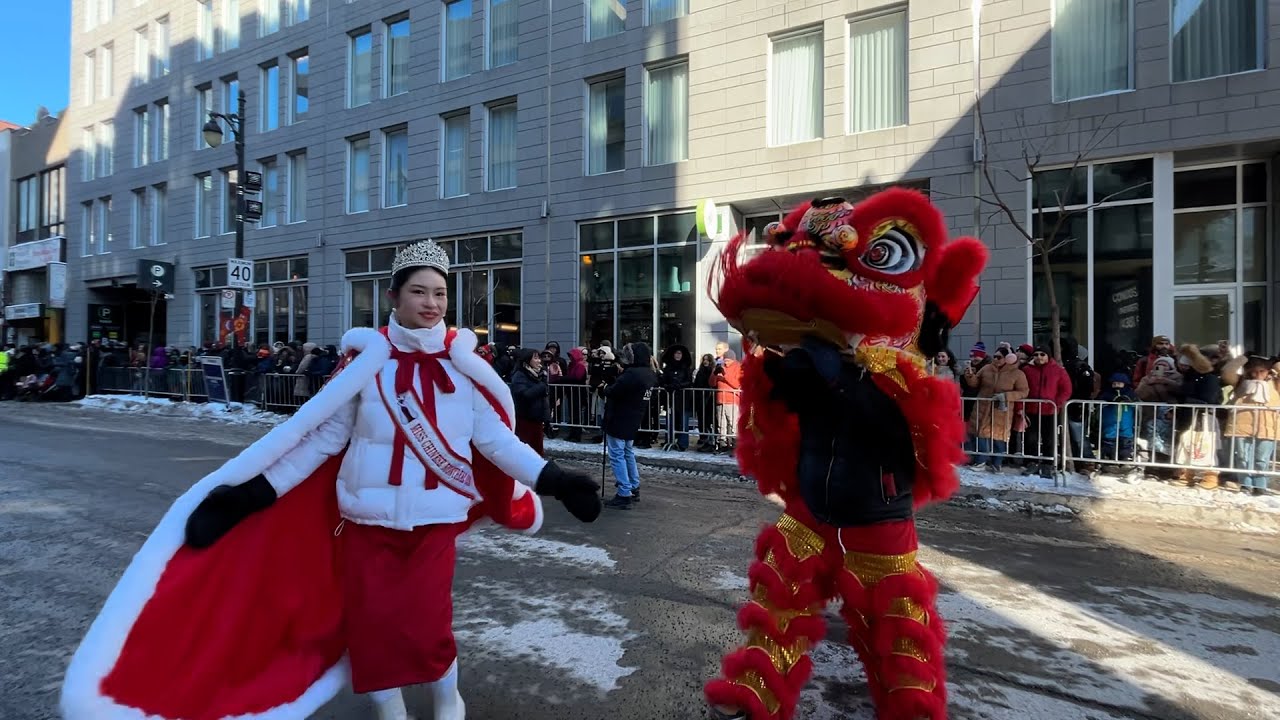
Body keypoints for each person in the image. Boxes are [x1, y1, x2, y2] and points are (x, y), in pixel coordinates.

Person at [63, 239, 603, 720]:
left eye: (440, 293)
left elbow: (495, 443)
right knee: (370, 626)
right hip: (365, 523)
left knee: (425, 624)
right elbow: (319, 441)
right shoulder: (366, 366)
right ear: (394, 297)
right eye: (419, 292)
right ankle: (389, 709)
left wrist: (554, 479)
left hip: (434, 520)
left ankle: (446, 700)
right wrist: (250, 495)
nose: (432, 303)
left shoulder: (463, 370)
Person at [703, 190, 987, 720]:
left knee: (897, 631)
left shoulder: (906, 378)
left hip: (874, 521)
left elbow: (903, 439)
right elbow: (778, 415)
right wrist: (776, 365)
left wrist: (843, 382)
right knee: (777, 609)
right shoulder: (808, 361)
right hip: (810, 511)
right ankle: (755, 695)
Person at [602, 342, 658, 509]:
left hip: (619, 417)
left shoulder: (632, 374)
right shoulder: (649, 373)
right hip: (634, 417)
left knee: (617, 455)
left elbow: (613, 391)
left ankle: (624, 492)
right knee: (627, 453)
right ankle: (633, 486)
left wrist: (604, 387)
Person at [966, 347, 1029, 471]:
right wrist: (970, 376)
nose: (995, 359)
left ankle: (997, 463)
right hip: (982, 406)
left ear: (1008, 358)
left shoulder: (1017, 373)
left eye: (999, 357)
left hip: (1001, 410)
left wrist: (1006, 396)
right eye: (994, 356)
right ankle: (980, 461)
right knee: (980, 434)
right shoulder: (986, 368)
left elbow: (1024, 391)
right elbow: (975, 383)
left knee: (999, 437)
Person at [1020, 345, 1072, 478]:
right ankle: (1031, 462)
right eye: (1036, 354)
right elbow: (1022, 389)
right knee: (1031, 438)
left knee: (1049, 439)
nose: (1039, 357)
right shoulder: (1027, 370)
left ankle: (1048, 464)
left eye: (1042, 354)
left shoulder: (1058, 370)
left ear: (1048, 356)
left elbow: (1066, 389)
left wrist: (1056, 403)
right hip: (1031, 409)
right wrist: (1022, 407)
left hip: (1050, 410)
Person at [510, 347, 550, 455]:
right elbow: (524, 394)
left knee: (537, 451)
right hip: (525, 418)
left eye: (539, 358)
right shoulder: (520, 375)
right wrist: (541, 386)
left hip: (537, 418)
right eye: (535, 358)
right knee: (526, 450)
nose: (539, 361)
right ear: (527, 360)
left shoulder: (539, 375)